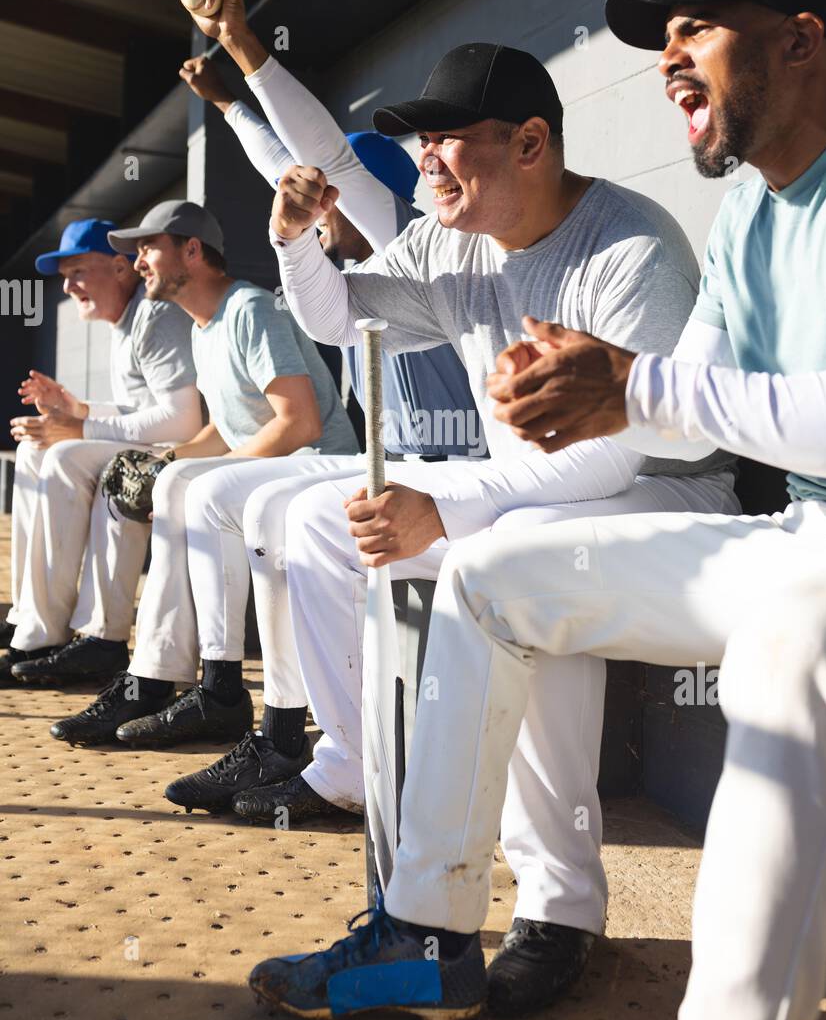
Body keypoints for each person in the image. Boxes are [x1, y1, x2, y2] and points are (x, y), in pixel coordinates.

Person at [246, 0, 826, 1020]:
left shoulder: (714, 220)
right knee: (491, 576)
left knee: (784, 642)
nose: (668, 60)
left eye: (695, 31)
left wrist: (627, 390)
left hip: (779, 532)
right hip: (801, 532)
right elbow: (675, 396)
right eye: (661, 39)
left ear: (801, 42)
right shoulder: (753, 219)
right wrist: (609, 395)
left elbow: (752, 419)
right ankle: (427, 930)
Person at [242, 34, 736, 1005]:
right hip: (543, 489)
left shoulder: (628, 246)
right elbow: (346, 316)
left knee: (509, 555)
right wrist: (294, 241)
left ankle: (552, 910)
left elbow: (624, 450)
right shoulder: (450, 233)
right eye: (419, 141)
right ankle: (407, 884)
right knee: (364, 533)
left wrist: (448, 506)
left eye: (446, 139)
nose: (425, 159)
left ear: (530, 142)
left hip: (681, 497)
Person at [153, 49, 483, 792]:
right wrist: (226, 102)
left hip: (451, 473)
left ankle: (295, 738)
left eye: (330, 198)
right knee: (244, 498)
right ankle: (271, 722)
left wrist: (242, 57)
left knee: (283, 507)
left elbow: (311, 155)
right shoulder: (351, 285)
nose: (310, 205)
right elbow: (288, 171)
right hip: (390, 460)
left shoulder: (411, 246)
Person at [47, 199, 357, 745]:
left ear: (192, 250)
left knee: (192, 486)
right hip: (273, 471)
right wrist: (174, 458)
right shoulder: (202, 327)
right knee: (173, 479)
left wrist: (198, 473)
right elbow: (227, 430)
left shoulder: (251, 308)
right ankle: (166, 678)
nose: (138, 261)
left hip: (322, 469)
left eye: (147, 247)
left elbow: (300, 423)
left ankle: (209, 690)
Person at [3, 218, 200, 686]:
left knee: (66, 456)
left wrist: (82, 425)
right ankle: (33, 625)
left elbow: (184, 418)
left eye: (76, 272)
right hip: (164, 442)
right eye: (64, 276)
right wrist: (76, 410)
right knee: (38, 448)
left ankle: (95, 639)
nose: (67, 286)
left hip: (198, 450)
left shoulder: (156, 315)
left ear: (118, 268)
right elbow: (142, 409)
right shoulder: (125, 321)